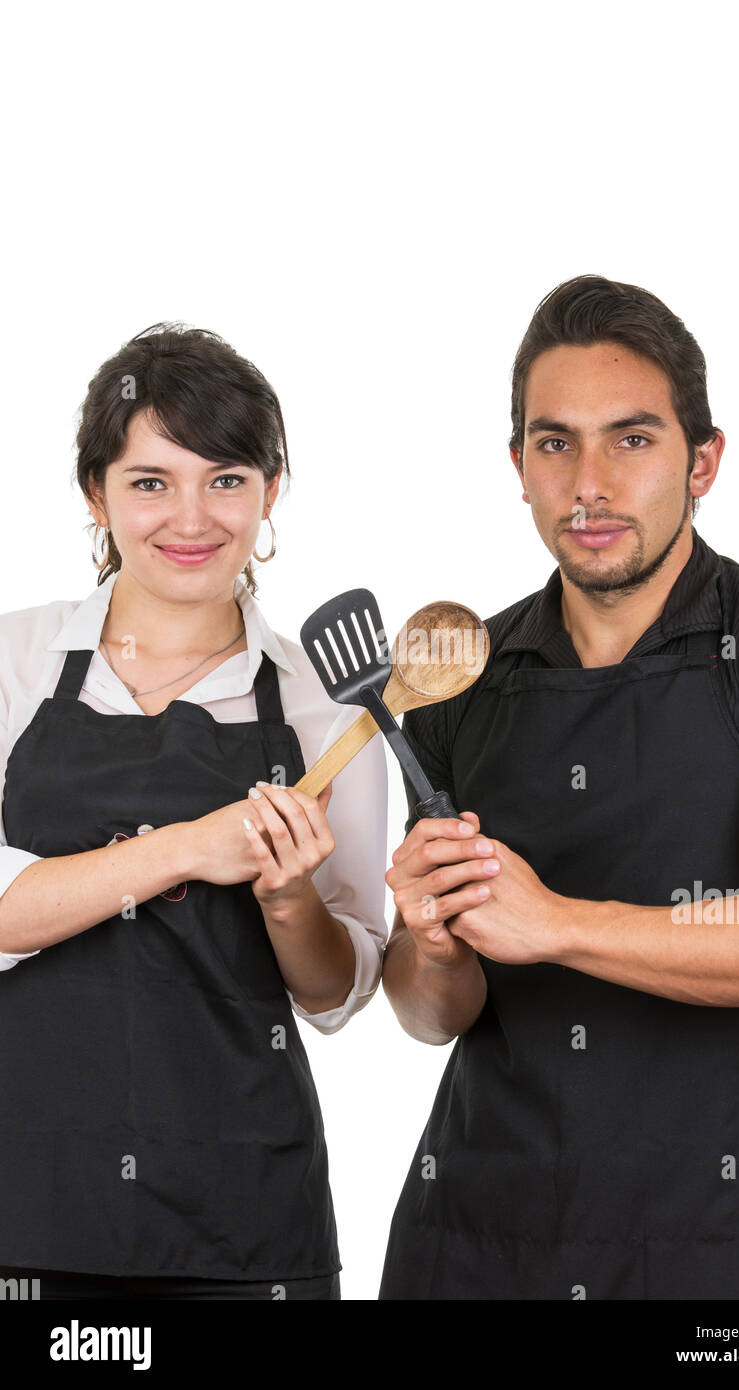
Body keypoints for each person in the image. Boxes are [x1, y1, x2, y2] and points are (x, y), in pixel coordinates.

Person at [378, 275, 739, 1301]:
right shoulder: (459, 671)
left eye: (631, 440)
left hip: (722, 1257)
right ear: (518, 467)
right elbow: (433, 1015)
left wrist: (557, 923)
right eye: (555, 444)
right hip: (473, 1244)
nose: (589, 484)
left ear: (704, 460)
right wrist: (431, 940)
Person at [0, 323, 387, 1300]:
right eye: (150, 481)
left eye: (226, 479)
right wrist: (188, 845)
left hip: (244, 1214)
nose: (192, 517)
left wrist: (292, 902)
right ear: (96, 492)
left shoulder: (325, 706)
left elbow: (337, 993)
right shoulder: (15, 663)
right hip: (26, 1197)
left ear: (270, 488)